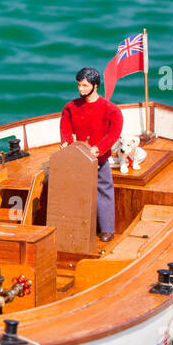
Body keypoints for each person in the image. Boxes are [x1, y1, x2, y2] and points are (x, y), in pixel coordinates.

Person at [59, 67, 123, 241]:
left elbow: (114, 133)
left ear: (95, 86)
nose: (81, 89)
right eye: (79, 85)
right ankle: (76, 228)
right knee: (76, 192)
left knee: (104, 191)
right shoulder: (71, 107)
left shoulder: (111, 110)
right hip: (77, 159)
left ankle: (107, 229)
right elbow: (66, 126)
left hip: (98, 160)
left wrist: (99, 149)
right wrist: (66, 142)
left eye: (85, 85)